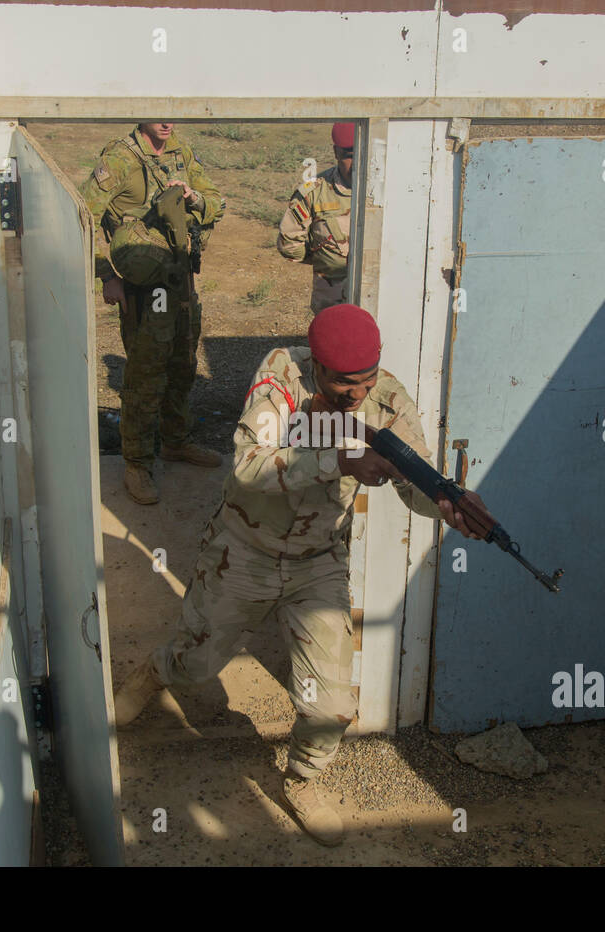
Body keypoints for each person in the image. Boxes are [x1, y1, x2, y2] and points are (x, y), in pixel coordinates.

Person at [112, 304, 487, 846]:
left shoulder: (388, 401)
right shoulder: (280, 378)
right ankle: (157, 672)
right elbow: (246, 467)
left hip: (318, 564)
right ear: (317, 369)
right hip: (243, 549)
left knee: (332, 704)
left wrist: (447, 505)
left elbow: (413, 483)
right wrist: (338, 461)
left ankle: (303, 779)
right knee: (196, 664)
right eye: (343, 384)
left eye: (365, 382)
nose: (356, 396)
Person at [81, 122, 227, 505]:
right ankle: (137, 463)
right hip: (146, 290)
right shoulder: (120, 158)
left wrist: (195, 201)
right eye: (157, 108)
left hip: (181, 282)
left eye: (172, 109)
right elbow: (82, 216)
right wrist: (106, 276)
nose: (166, 120)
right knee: (146, 374)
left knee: (183, 366)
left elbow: (217, 204)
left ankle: (176, 442)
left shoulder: (180, 151)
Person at [277, 122, 354, 313]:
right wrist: (324, 259)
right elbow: (289, 244)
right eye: (349, 156)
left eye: (365, 154)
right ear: (336, 153)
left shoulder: (392, 192)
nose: (358, 163)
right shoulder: (313, 192)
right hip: (333, 300)